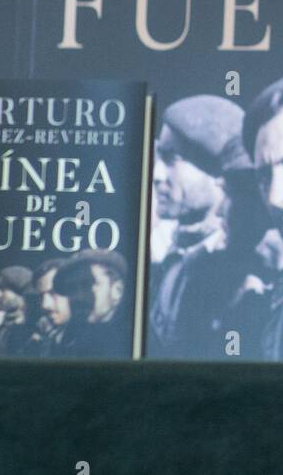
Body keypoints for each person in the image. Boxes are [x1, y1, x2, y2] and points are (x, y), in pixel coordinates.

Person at [147, 96, 258, 359]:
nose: (157, 175)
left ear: (218, 171)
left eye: (172, 159)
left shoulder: (244, 265)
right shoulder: (168, 255)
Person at [52, 250, 130, 358]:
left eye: (88, 284)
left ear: (117, 291)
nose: (78, 297)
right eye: (72, 288)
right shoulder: (67, 342)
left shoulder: (127, 341)